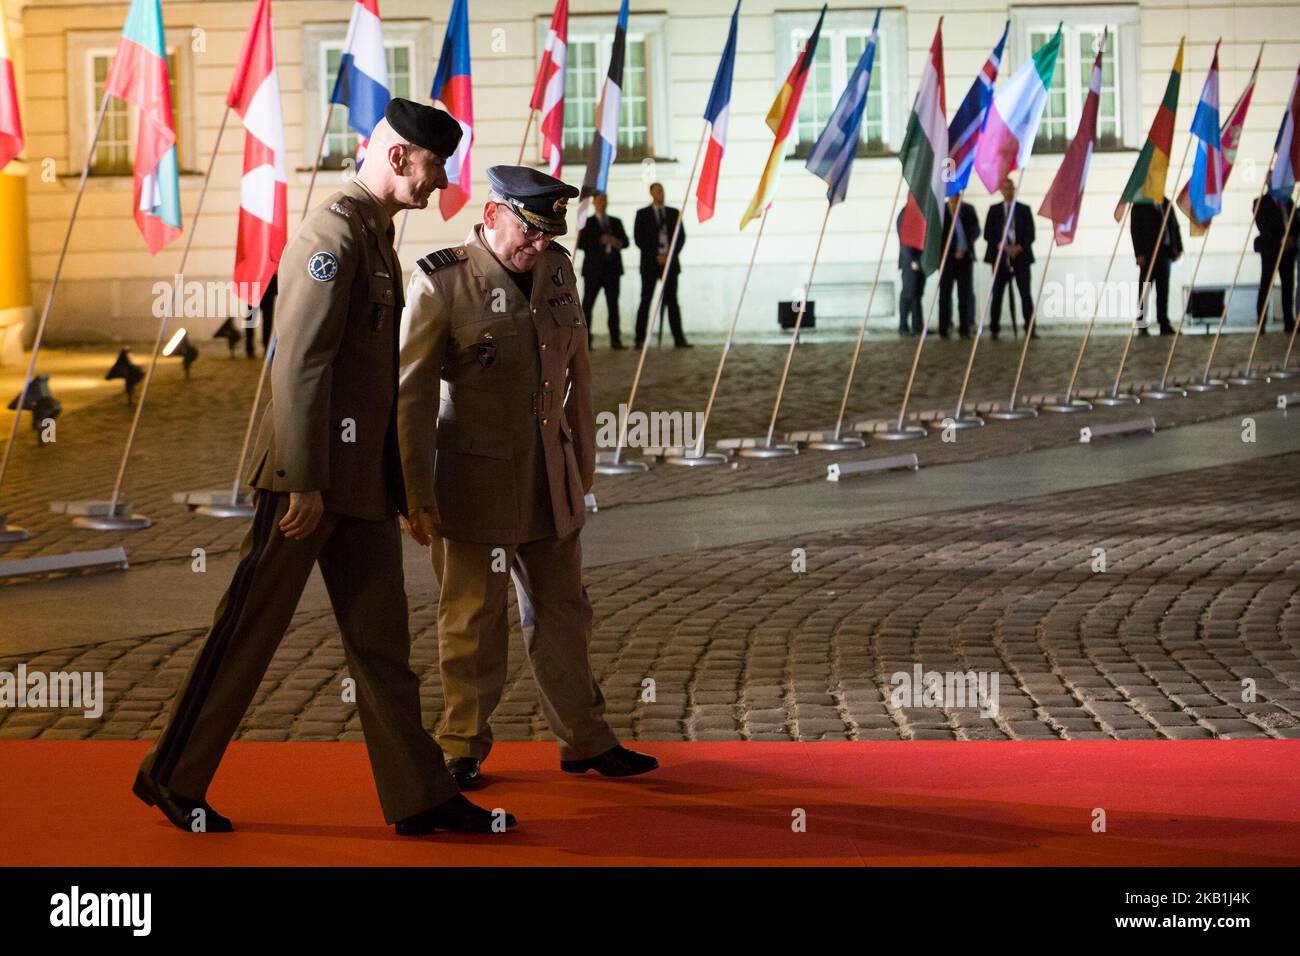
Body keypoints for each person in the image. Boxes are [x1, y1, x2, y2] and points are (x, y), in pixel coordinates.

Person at [132, 100, 512, 837]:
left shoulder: (375, 236)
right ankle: (170, 776)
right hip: (306, 487)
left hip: (359, 488)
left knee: (383, 647)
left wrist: (401, 488)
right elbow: (299, 363)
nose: (441, 184)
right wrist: (303, 478)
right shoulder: (333, 233)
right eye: (435, 167)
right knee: (245, 632)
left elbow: (378, 383)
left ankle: (420, 795)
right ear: (401, 157)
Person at [397, 164, 660, 791]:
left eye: (549, 235)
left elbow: (580, 375)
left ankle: (585, 739)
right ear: (492, 216)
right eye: (530, 233)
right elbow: (408, 396)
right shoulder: (442, 282)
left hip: (551, 477)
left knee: (565, 612)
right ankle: (461, 744)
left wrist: (584, 463)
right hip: (474, 484)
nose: (540, 247)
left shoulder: (558, 271)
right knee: (472, 619)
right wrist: (413, 491)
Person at [633, 182, 690, 348]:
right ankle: (639, 339)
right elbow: (639, 239)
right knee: (646, 300)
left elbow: (681, 237)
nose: (660, 194)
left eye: (662, 191)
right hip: (650, 264)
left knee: (672, 301)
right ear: (651, 194)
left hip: (670, 264)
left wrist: (669, 255)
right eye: (657, 191)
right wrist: (655, 255)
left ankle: (679, 338)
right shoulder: (642, 214)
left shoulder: (673, 213)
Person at [983, 178, 1036, 339]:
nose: (1008, 191)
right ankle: (994, 328)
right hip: (999, 257)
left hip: (1021, 257)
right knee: (997, 294)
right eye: (1005, 188)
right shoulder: (994, 210)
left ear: (1014, 189)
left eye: (1010, 188)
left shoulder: (1024, 209)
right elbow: (988, 234)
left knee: (1025, 293)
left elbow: (1030, 234)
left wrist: (1017, 247)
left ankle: (1030, 329)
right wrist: (1003, 247)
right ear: (1001, 190)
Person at [576, 191, 629, 349]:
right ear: (594, 202)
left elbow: (626, 242)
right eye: (599, 200)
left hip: (612, 270)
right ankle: (586, 342)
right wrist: (599, 241)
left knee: (613, 306)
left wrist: (616, 242)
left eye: (605, 200)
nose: (602, 203)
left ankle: (615, 340)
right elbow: (581, 244)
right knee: (588, 306)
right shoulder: (586, 222)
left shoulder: (615, 222)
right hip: (593, 270)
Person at [1129, 196, 1183, 335]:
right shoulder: (1140, 204)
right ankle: (1142, 324)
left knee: (1163, 290)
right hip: (1148, 255)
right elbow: (1135, 229)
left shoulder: (1166, 203)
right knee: (1145, 291)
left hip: (1165, 253)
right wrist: (1139, 253)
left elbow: (1174, 226)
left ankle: (1163, 323)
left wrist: (1178, 248)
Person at [1252, 191, 1297, 333]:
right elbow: (1263, 226)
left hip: (1288, 251)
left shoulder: (1288, 202)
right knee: (1266, 285)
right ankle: (1261, 322)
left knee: (1288, 285)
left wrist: (1291, 238)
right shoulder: (1260, 202)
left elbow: (1295, 221)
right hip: (1270, 250)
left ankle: (1288, 322)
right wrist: (1280, 240)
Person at [939, 196, 980, 339]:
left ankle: (964, 328)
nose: (955, 196)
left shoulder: (968, 209)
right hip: (946, 260)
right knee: (945, 295)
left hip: (965, 259)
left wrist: (965, 246)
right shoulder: (940, 210)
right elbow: (938, 235)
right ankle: (944, 329)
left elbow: (976, 230)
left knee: (965, 295)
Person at [896, 207, 926, 336]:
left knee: (917, 294)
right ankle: (903, 327)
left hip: (920, 259)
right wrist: (912, 259)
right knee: (908, 294)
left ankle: (917, 326)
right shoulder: (906, 214)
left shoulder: (919, 212)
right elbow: (905, 239)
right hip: (910, 261)